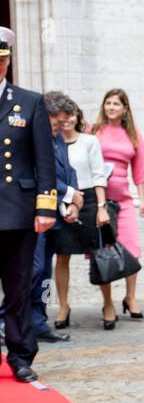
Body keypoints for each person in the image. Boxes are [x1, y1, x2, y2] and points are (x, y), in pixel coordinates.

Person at [0, 32, 58, 383]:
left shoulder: (29, 102)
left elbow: (44, 160)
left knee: (19, 287)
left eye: (2, 58)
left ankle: (20, 355)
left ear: (7, 61)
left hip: (18, 211)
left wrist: (46, 207)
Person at [92, 88, 144, 321]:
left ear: (125, 108)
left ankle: (130, 297)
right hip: (100, 203)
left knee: (132, 251)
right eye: (108, 103)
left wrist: (142, 199)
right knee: (103, 252)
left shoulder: (132, 134)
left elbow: (140, 167)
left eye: (116, 104)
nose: (111, 107)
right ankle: (107, 304)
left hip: (124, 201)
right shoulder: (94, 131)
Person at [51, 102, 110, 329]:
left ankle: (108, 304)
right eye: (60, 116)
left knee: (99, 253)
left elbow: (98, 175)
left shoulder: (90, 141)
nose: (66, 120)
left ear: (77, 116)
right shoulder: (52, 142)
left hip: (89, 200)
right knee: (62, 255)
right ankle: (64, 306)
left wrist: (102, 206)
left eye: (70, 115)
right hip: (61, 200)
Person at [25, 91, 78, 343]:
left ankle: (39, 322)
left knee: (45, 272)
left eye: (64, 122)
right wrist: (69, 192)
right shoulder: (35, 137)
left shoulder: (57, 139)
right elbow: (39, 174)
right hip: (36, 215)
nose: (60, 127)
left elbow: (69, 171)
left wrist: (75, 199)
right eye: (57, 122)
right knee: (32, 269)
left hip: (55, 216)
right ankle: (5, 319)